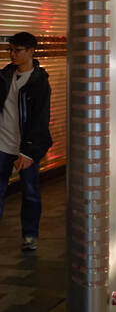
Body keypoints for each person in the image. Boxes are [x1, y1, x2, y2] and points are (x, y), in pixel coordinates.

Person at [0, 32, 52, 252]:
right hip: (2, 145)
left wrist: (29, 152)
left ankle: (30, 235)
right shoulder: (3, 77)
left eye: (17, 50)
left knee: (30, 192)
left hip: (26, 148)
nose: (12, 54)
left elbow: (41, 120)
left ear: (31, 51)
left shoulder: (39, 83)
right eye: (10, 50)